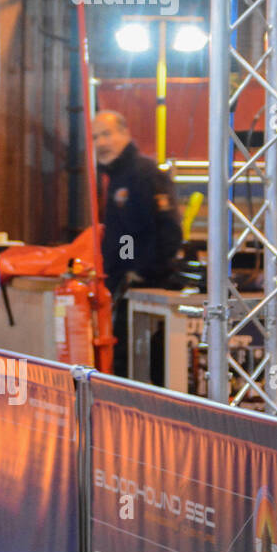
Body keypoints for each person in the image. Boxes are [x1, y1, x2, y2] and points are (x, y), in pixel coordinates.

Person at [92, 110, 183, 379]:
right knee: (121, 359)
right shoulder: (114, 178)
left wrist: (142, 272)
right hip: (120, 287)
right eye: (95, 137)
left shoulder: (144, 173)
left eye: (107, 134)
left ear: (125, 133)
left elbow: (169, 229)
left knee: (134, 363)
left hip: (143, 289)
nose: (100, 143)